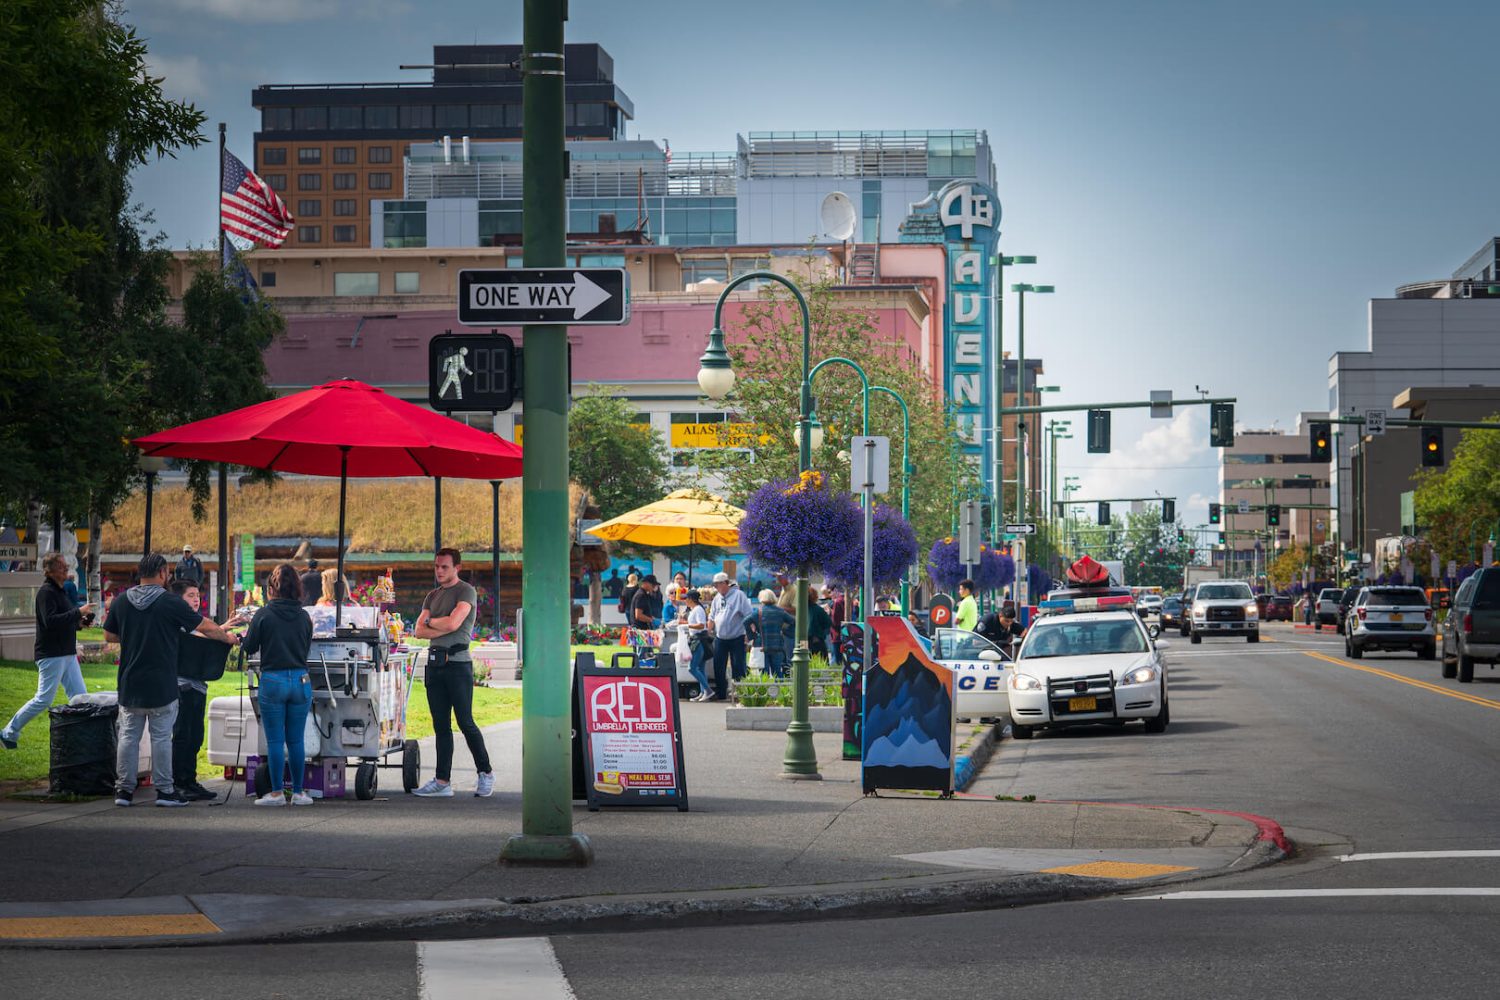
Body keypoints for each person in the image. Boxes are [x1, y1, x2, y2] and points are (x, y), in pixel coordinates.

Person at [103, 552, 238, 807]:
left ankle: (123, 791)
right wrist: (227, 637)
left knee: (129, 736)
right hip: (162, 680)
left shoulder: (121, 602)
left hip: (130, 680)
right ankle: (165, 791)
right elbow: (204, 626)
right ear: (163, 573)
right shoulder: (169, 602)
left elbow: (109, 636)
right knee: (161, 737)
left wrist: (136, 637)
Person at [412, 548, 494, 798]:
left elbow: (453, 623)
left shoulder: (465, 591)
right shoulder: (432, 596)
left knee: (465, 721)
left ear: (457, 567)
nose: (439, 571)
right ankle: (442, 780)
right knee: (440, 726)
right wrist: (438, 623)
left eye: (444, 567)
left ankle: (485, 772)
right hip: (436, 665)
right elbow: (418, 630)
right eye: (437, 566)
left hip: (458, 665)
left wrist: (432, 623)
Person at [1, 553, 95, 750]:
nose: (66, 567)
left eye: (65, 564)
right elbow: (50, 622)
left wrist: (79, 623)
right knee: (44, 699)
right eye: (61, 565)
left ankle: (84, 741)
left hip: (67, 653)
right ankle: (8, 732)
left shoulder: (60, 592)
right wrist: (78, 612)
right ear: (50, 571)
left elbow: (64, 619)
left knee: (81, 697)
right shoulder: (46, 592)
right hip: (51, 654)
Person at [240, 565, 315, 806]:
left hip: (273, 680)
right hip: (301, 680)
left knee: (274, 740)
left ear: (272, 588)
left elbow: (249, 646)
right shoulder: (304, 616)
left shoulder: (263, 615)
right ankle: (300, 793)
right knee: (296, 740)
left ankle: (276, 793)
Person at [167, 580, 216, 801]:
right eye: (190, 595)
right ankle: (179, 782)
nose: (196, 599)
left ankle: (190, 780)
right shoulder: (174, 622)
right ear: (178, 599)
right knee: (183, 735)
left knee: (196, 735)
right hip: (180, 686)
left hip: (198, 686)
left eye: (197, 595)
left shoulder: (196, 624)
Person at [707, 572, 752, 701]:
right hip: (720, 637)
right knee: (718, 665)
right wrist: (708, 631)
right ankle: (721, 693)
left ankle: (740, 693)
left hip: (737, 636)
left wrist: (748, 634)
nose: (716, 588)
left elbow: (748, 615)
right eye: (715, 585)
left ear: (725, 583)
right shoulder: (717, 598)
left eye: (717, 585)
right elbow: (712, 616)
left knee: (738, 665)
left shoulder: (739, 596)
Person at [678, 589, 712, 701]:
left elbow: (701, 625)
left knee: (692, 668)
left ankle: (708, 690)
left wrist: (688, 626)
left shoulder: (698, 610)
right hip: (697, 639)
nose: (685, 601)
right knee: (700, 668)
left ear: (691, 599)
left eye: (686, 598)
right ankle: (703, 692)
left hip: (698, 640)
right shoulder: (695, 609)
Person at [751, 589, 795, 677]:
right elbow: (793, 621)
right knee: (777, 672)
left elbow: (746, 621)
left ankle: (766, 690)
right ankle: (781, 690)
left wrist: (752, 635)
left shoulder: (759, 611)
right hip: (777, 645)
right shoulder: (780, 611)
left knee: (764, 674)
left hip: (763, 646)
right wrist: (786, 632)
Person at [806, 588, 833, 659]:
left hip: (803, 641)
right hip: (816, 640)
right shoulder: (818, 610)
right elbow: (828, 623)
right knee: (822, 660)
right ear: (815, 597)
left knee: (806, 661)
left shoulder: (800, 609)